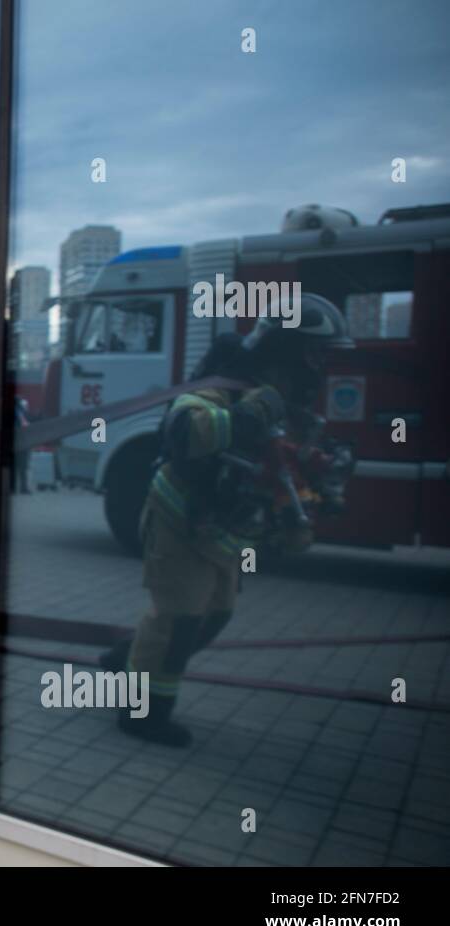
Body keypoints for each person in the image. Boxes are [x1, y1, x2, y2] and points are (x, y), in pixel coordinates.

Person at [100, 294, 354, 746]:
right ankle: (142, 714)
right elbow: (184, 431)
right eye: (314, 354)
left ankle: (127, 663)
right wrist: (249, 415)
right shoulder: (227, 387)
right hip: (179, 521)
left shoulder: (287, 404)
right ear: (285, 350)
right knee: (177, 620)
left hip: (221, 531)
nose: (318, 366)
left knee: (214, 615)